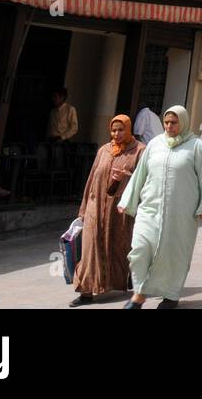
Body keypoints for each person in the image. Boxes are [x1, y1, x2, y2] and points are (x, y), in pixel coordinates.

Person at [117, 105, 202, 309]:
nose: (169, 126)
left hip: (181, 213)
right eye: (166, 122)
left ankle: (171, 296)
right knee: (139, 249)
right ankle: (139, 293)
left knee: (174, 254)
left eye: (174, 122)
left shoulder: (196, 146)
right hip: (149, 209)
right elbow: (140, 174)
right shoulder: (154, 144)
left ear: (183, 122)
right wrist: (127, 200)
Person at [70, 114, 144, 306]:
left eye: (121, 130)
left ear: (129, 130)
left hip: (120, 210)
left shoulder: (140, 151)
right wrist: (84, 209)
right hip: (95, 207)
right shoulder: (104, 150)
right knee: (89, 248)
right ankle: (86, 291)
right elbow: (92, 178)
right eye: (113, 130)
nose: (117, 134)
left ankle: (121, 281)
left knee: (118, 247)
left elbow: (144, 180)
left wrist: (124, 178)